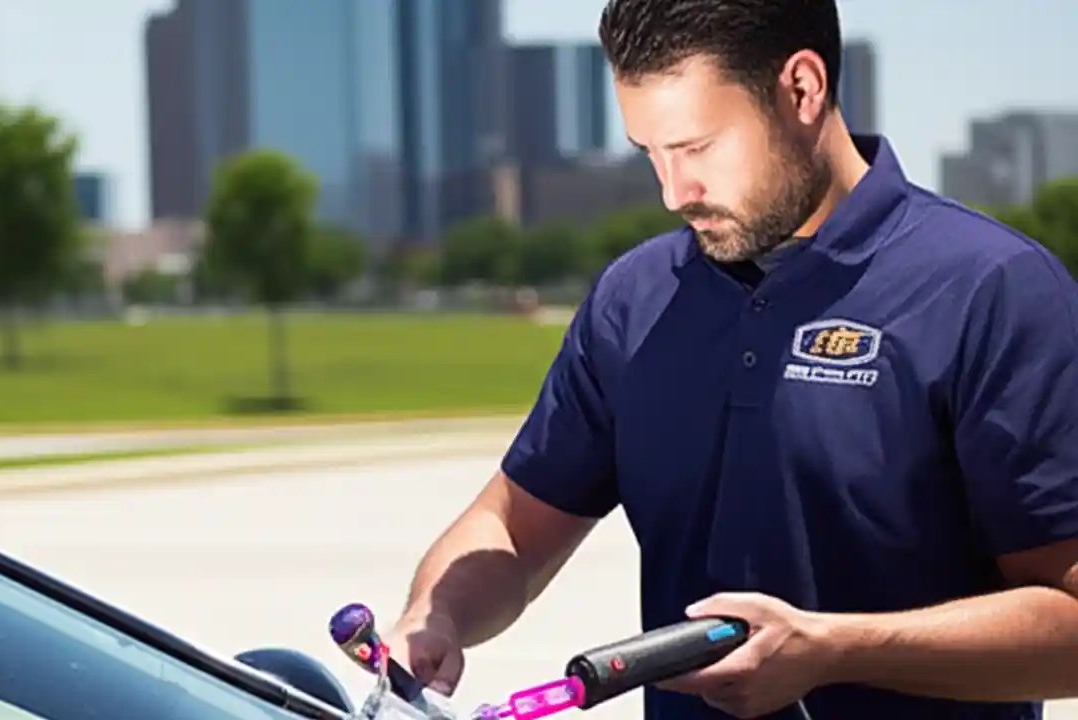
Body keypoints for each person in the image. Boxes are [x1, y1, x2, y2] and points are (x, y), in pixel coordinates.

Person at [382, 1, 1078, 719]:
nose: (673, 192)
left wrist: (839, 649)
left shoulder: (993, 290)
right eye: (649, 152)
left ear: (802, 90)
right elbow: (511, 526)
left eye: (697, 148)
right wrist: (435, 618)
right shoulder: (634, 299)